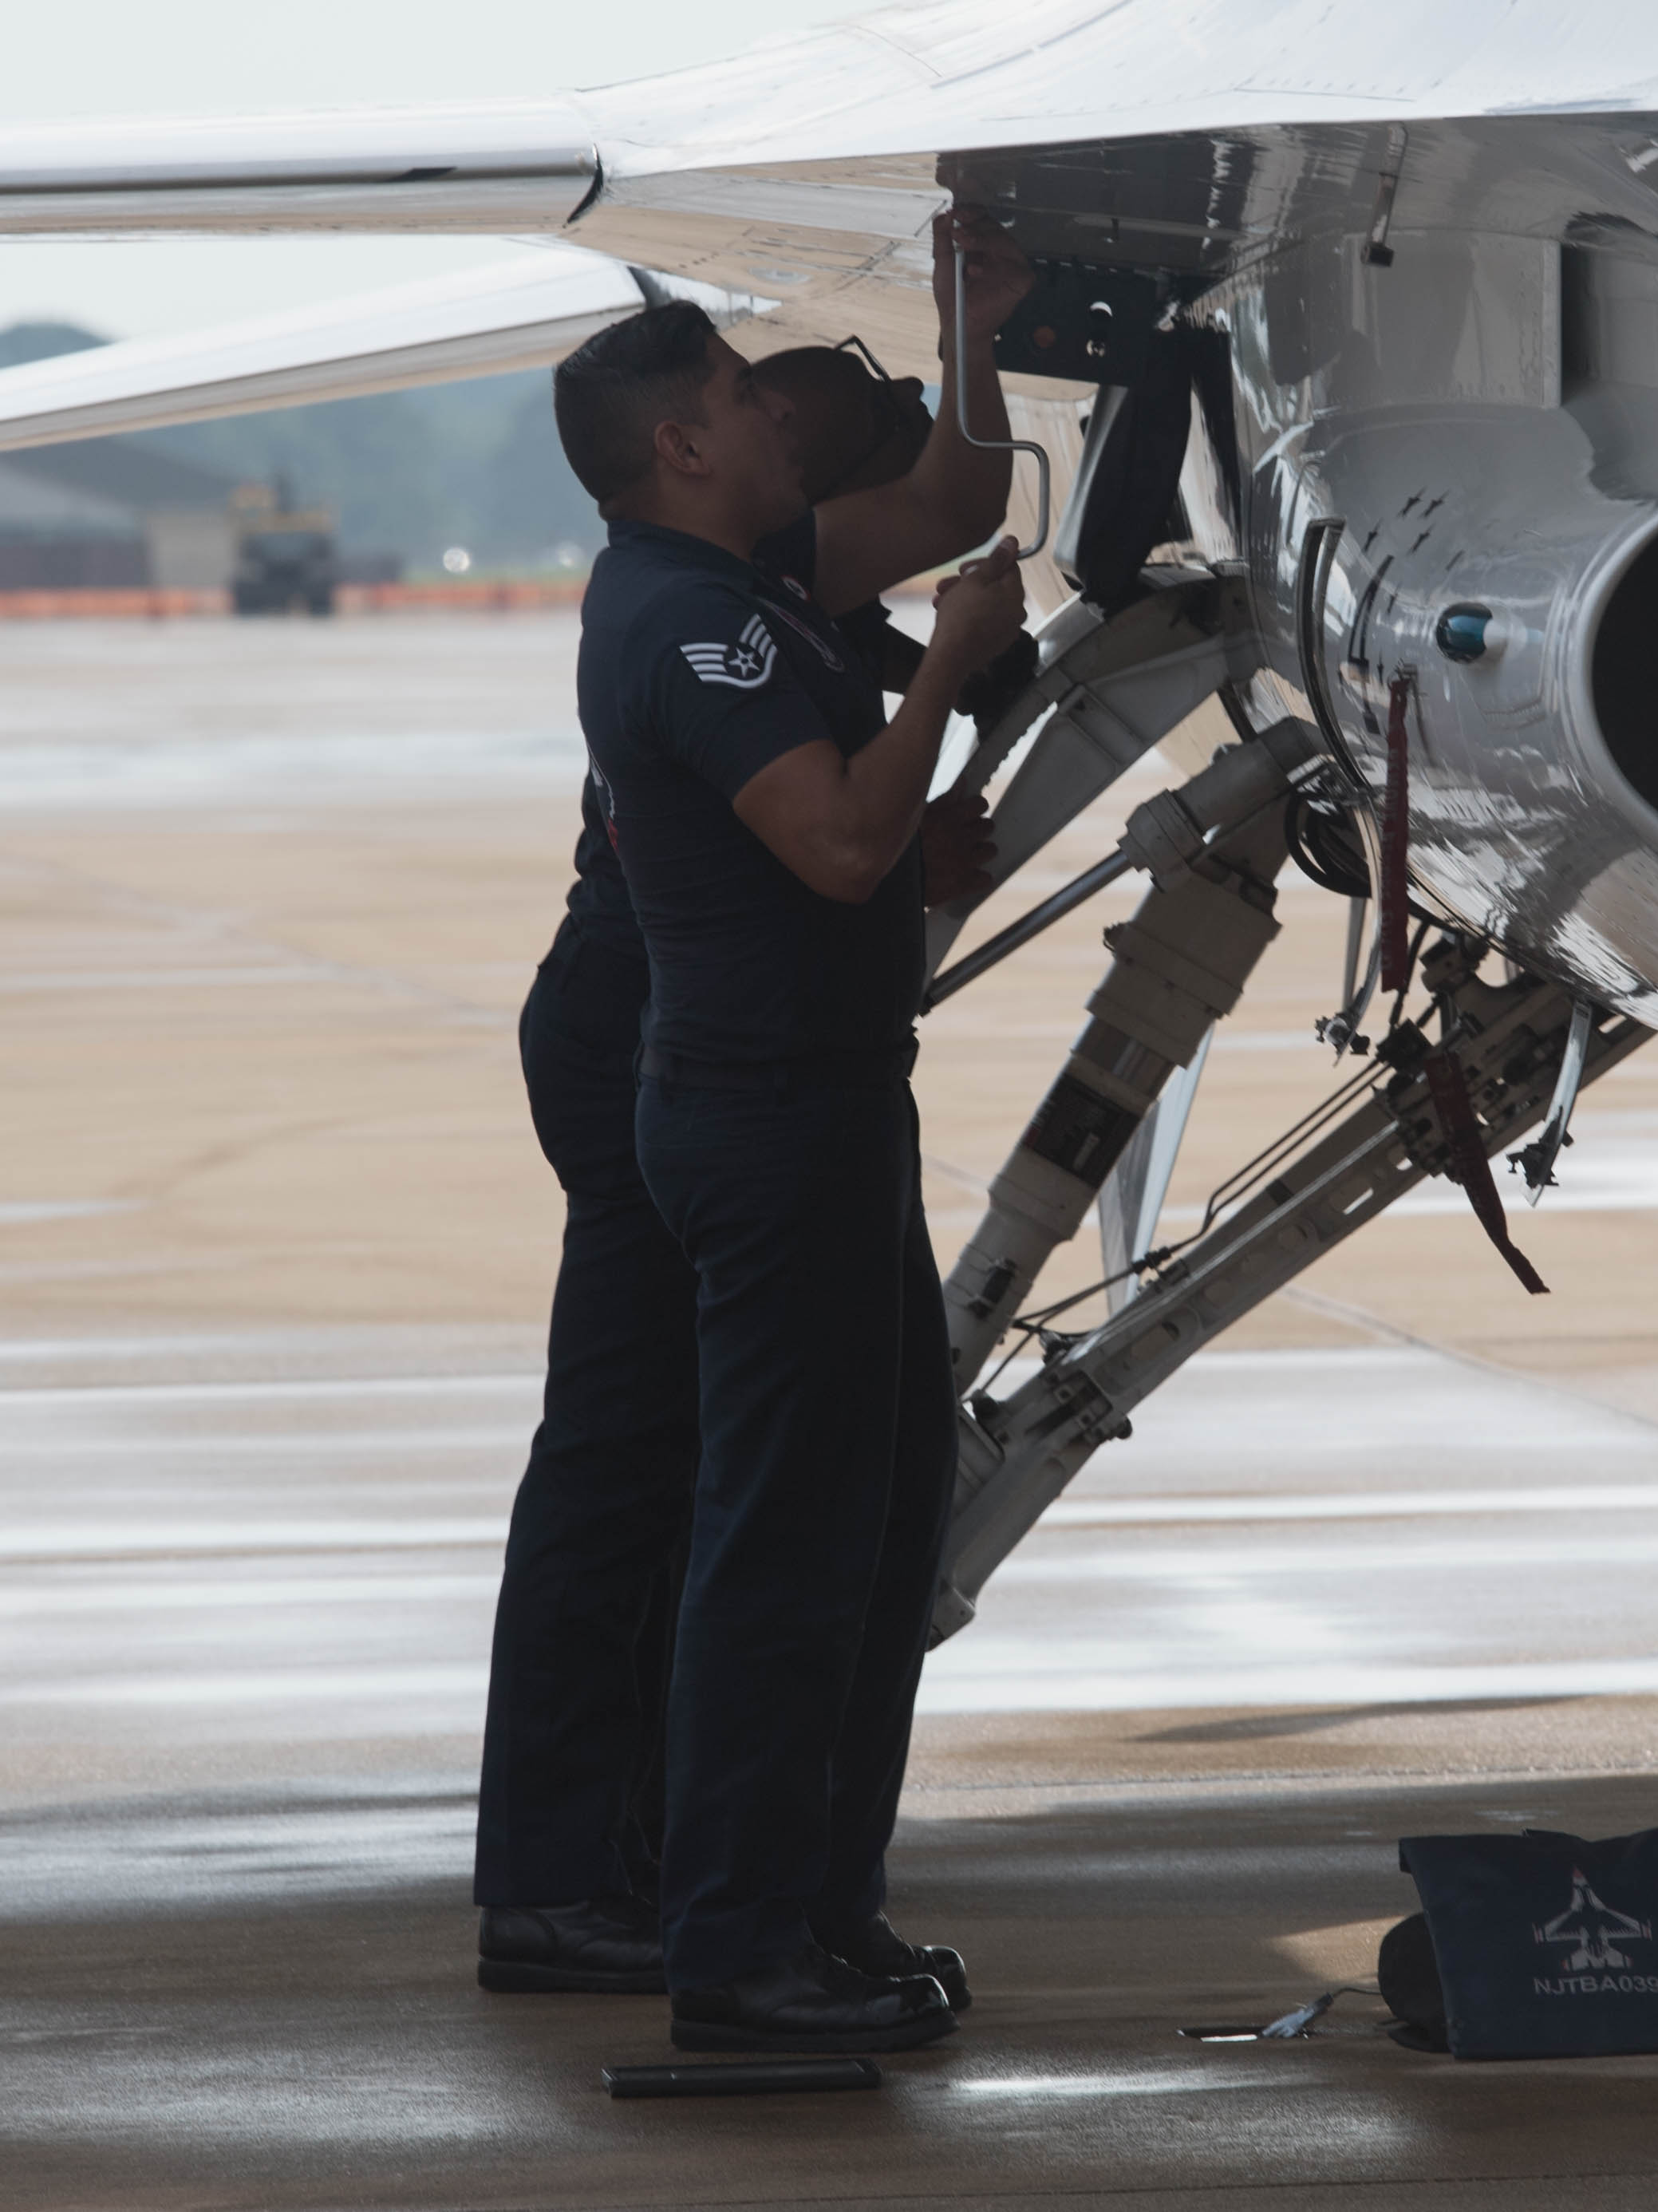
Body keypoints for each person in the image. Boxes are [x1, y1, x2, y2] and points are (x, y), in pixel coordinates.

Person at [489, 211, 1036, 2054]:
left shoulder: (758, 581)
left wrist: (976, 330)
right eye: (761, 392)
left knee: (854, 1497)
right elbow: (832, 841)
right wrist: (946, 677)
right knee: (683, 1474)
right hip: (693, 1054)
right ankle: (620, 1893)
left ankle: (780, 1895)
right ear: (699, 443)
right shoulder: (698, 612)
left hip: (779, 1062)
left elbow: (955, 490)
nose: (800, 419)